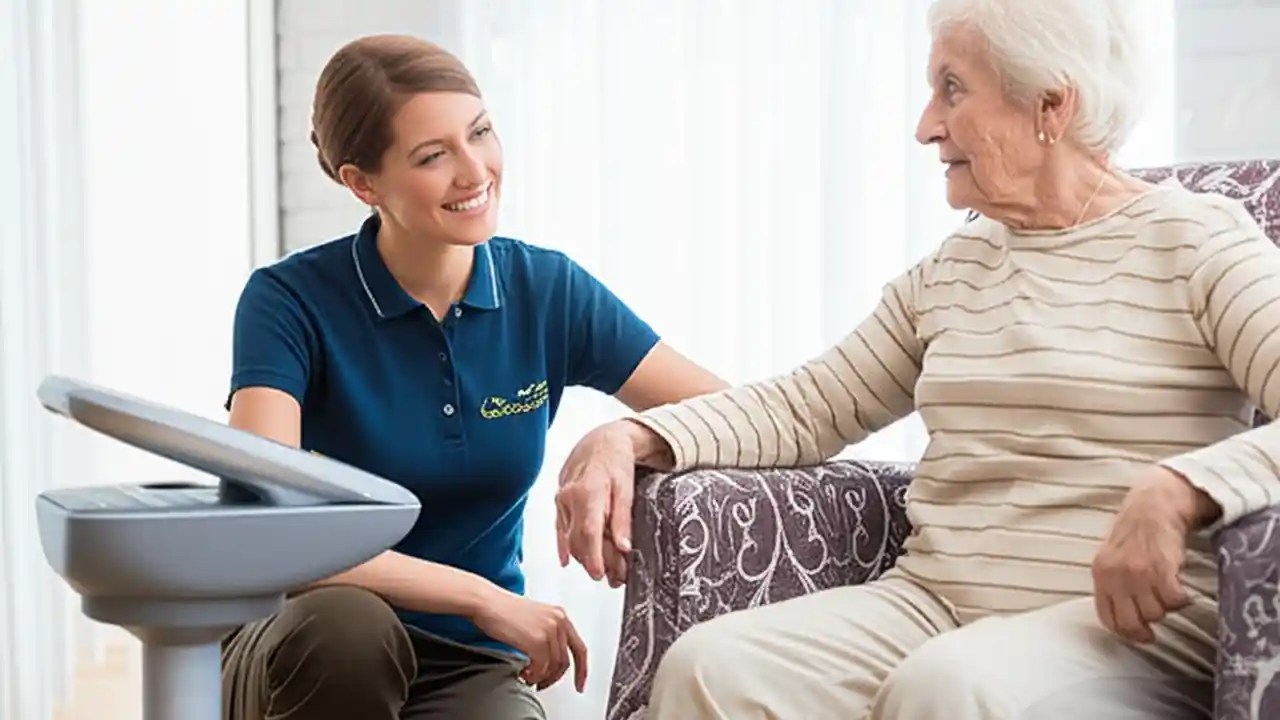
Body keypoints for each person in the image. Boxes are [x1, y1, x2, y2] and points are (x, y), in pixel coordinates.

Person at [555, 1, 1280, 718]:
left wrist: (1181, 487)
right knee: (711, 668)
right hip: (936, 605)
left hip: (1122, 627)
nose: (926, 125)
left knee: (947, 685)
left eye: (953, 89)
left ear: (1050, 104)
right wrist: (635, 436)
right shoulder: (956, 267)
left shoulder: (1197, 243)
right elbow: (810, 404)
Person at [219, 34, 725, 720]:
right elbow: (266, 532)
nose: (475, 170)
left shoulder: (546, 290)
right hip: (304, 640)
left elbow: (731, 413)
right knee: (351, 631)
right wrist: (485, 598)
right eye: (433, 156)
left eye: (480, 132)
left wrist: (625, 438)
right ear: (362, 183)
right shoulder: (289, 301)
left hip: (466, 662)